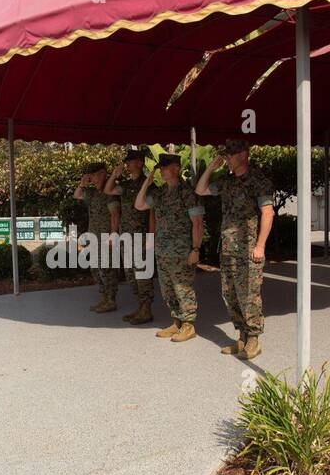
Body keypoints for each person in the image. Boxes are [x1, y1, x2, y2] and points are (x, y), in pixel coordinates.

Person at [197, 139, 274, 360]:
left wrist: (260, 246)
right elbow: (201, 189)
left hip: (249, 249)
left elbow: (268, 213)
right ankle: (241, 337)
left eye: (230, 154)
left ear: (243, 154)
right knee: (230, 295)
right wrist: (212, 167)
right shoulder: (226, 182)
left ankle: (253, 340)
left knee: (249, 295)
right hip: (229, 248)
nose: (227, 158)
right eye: (226, 155)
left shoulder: (258, 181)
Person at [136, 153, 203, 342]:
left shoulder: (188, 192)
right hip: (163, 250)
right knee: (167, 288)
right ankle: (177, 322)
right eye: (161, 168)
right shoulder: (159, 193)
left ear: (176, 169)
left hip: (182, 250)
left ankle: (189, 325)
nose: (162, 171)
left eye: (165, 167)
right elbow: (139, 205)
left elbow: (197, 222)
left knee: (183, 287)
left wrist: (196, 249)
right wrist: (146, 184)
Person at [104, 149, 155, 325]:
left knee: (142, 273)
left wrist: (150, 237)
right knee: (131, 274)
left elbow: (152, 214)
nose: (127, 165)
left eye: (130, 161)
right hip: (126, 237)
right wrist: (114, 174)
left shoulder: (148, 185)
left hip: (141, 237)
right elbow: (108, 189)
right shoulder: (126, 185)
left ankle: (146, 309)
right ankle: (140, 307)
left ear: (139, 163)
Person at [73, 161, 120, 312]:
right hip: (93, 237)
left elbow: (115, 215)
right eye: (89, 175)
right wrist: (82, 183)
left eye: (93, 175)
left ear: (102, 174)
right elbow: (77, 195)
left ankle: (111, 300)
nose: (91, 178)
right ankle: (104, 298)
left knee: (107, 269)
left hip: (106, 238)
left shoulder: (110, 193)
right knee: (95, 269)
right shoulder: (92, 193)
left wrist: (113, 234)